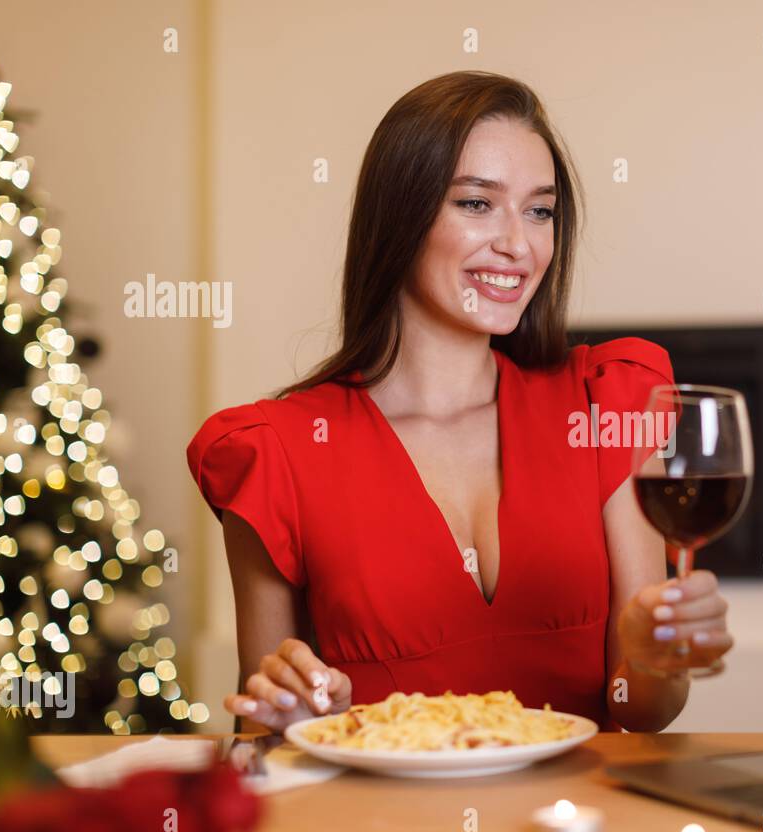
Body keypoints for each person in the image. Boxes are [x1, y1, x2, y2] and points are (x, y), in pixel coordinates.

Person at [186, 71, 732, 734]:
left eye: (539, 211)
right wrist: (289, 717)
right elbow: (263, 736)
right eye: (477, 204)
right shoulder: (275, 451)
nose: (518, 244)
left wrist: (652, 659)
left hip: (575, 829)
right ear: (402, 213)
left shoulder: (605, 403)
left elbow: (641, 710)